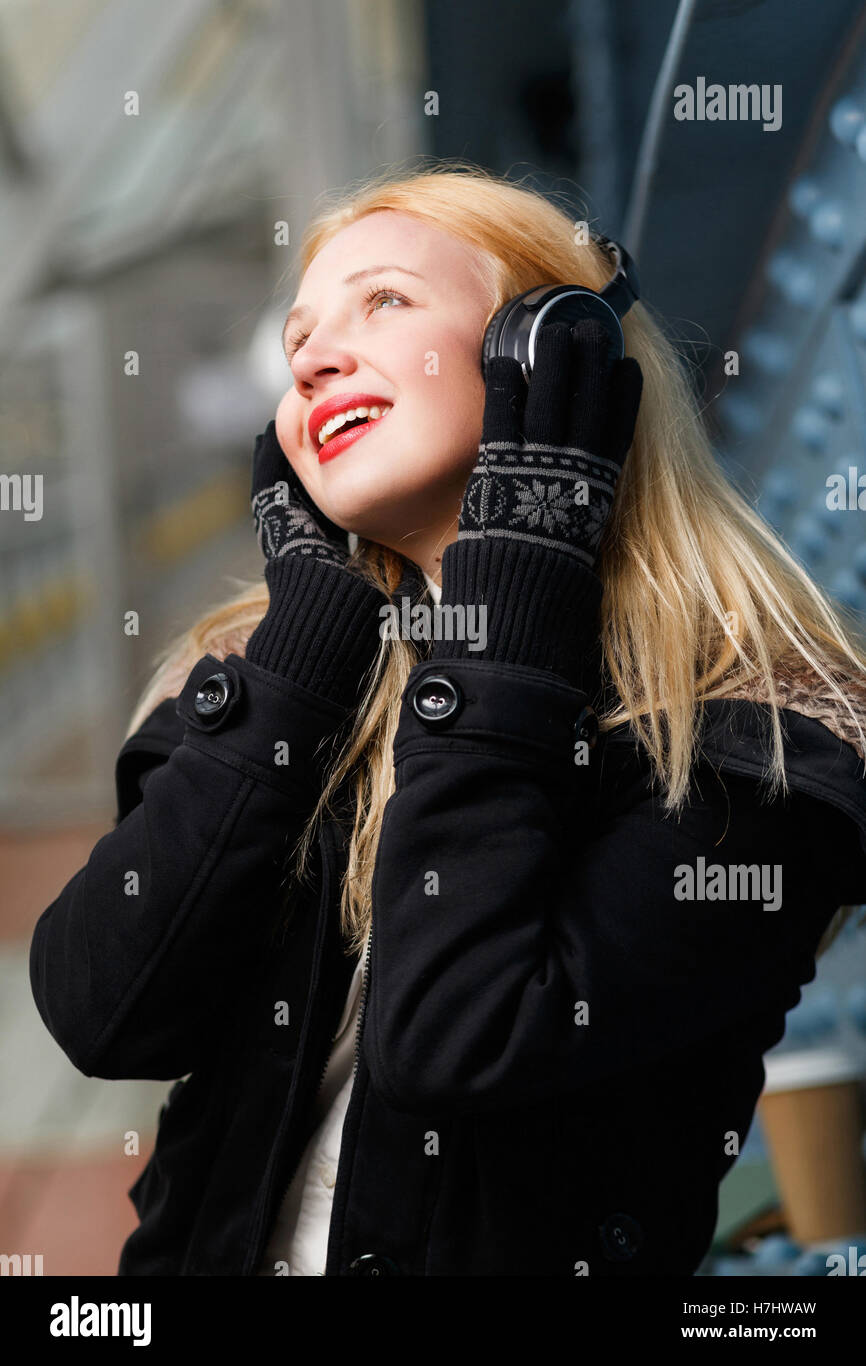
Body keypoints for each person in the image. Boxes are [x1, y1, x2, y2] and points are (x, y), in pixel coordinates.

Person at [29, 163, 866, 1277]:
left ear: (546, 347)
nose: (319, 355)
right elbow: (104, 1009)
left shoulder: (752, 730)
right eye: (298, 342)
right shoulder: (245, 677)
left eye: (383, 302)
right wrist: (300, 654)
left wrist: (515, 588)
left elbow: (459, 1037)